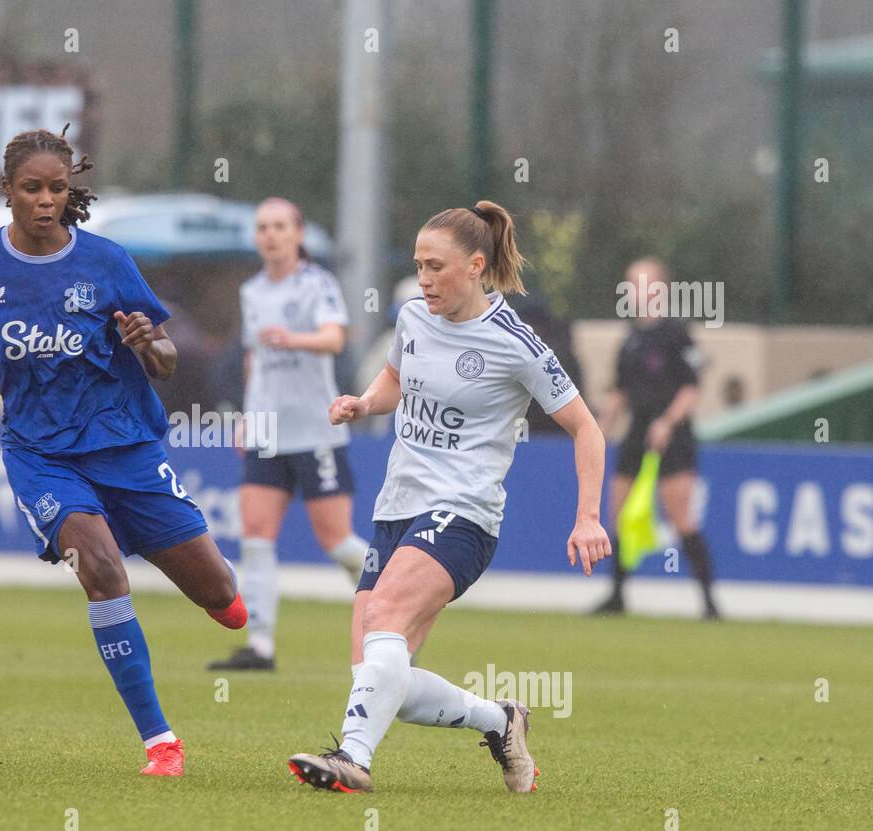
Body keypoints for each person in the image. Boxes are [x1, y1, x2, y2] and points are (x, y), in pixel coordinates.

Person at [0, 126, 247, 777]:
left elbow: (167, 360)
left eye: (57, 188)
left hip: (127, 446)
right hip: (41, 454)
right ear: (7, 190)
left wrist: (148, 342)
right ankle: (160, 742)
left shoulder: (108, 262)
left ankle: (222, 599)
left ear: (71, 191)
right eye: (32, 188)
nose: (46, 200)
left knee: (220, 593)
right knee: (101, 568)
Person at [287, 201, 610, 794]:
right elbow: (395, 378)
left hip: (464, 513)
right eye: (418, 265)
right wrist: (364, 403)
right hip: (397, 507)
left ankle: (352, 759)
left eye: (435, 266)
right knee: (377, 675)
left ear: (476, 267)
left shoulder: (516, 342)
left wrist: (587, 517)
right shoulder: (413, 317)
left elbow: (586, 428)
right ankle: (501, 720)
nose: (424, 278)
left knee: (383, 619)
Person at [210, 197, 368, 671]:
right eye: (263, 227)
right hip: (267, 430)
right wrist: (247, 416)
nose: (270, 235)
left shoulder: (317, 284)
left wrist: (293, 338)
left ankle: (393, 612)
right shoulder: (252, 290)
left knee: (337, 542)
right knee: (256, 535)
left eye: (279, 226)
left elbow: (335, 338)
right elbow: (253, 358)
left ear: (298, 234)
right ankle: (260, 646)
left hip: (315, 429)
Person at [593, 257, 719, 619]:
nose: (634, 291)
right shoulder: (630, 339)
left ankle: (709, 602)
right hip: (637, 433)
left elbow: (691, 387)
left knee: (680, 517)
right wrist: (599, 428)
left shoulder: (676, 334)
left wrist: (667, 422)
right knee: (618, 514)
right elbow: (620, 391)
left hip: (673, 437)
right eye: (631, 284)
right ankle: (617, 596)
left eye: (642, 283)